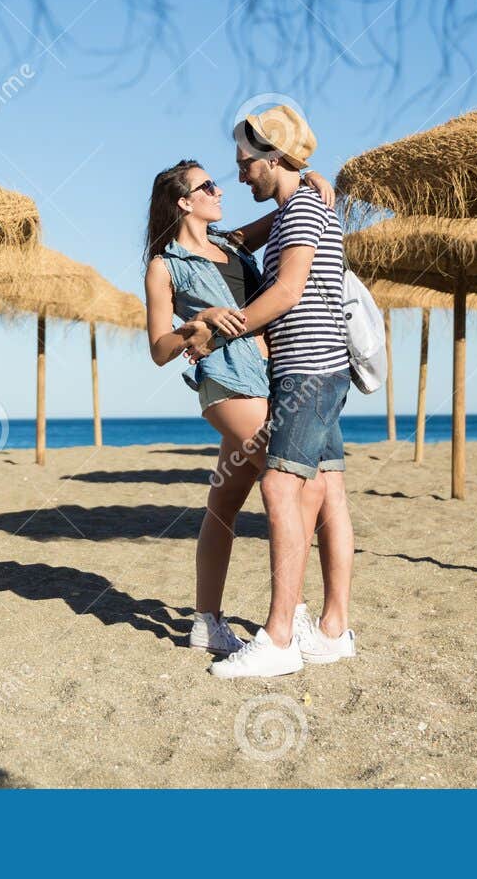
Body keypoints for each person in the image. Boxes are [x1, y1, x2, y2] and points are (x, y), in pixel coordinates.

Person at [183, 105, 357, 678]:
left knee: (281, 489)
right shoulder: (295, 207)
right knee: (326, 492)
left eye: (244, 164)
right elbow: (235, 237)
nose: (237, 177)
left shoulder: (303, 210)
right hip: (318, 369)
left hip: (308, 369)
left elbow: (284, 293)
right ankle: (332, 631)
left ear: (271, 155)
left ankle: (280, 637)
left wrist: (221, 331)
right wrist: (306, 175)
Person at [142, 158, 334, 656]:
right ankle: (291, 616)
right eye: (207, 186)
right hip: (228, 382)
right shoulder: (165, 265)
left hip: (265, 377)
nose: (219, 190)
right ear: (185, 201)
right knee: (298, 483)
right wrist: (196, 322)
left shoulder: (232, 243)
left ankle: (206, 621)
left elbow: (286, 211)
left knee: (224, 503)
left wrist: (310, 179)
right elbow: (160, 350)